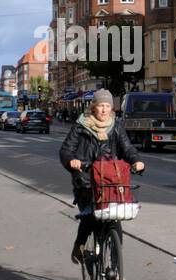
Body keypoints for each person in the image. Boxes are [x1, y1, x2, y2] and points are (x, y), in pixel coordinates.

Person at [59, 89, 144, 265]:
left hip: (111, 181)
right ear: (93, 107)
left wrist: (136, 161)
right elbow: (66, 150)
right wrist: (72, 161)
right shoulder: (81, 127)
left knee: (115, 220)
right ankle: (79, 246)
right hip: (86, 180)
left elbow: (127, 148)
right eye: (100, 106)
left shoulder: (116, 126)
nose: (104, 110)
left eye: (107, 106)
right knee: (90, 216)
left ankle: (115, 264)